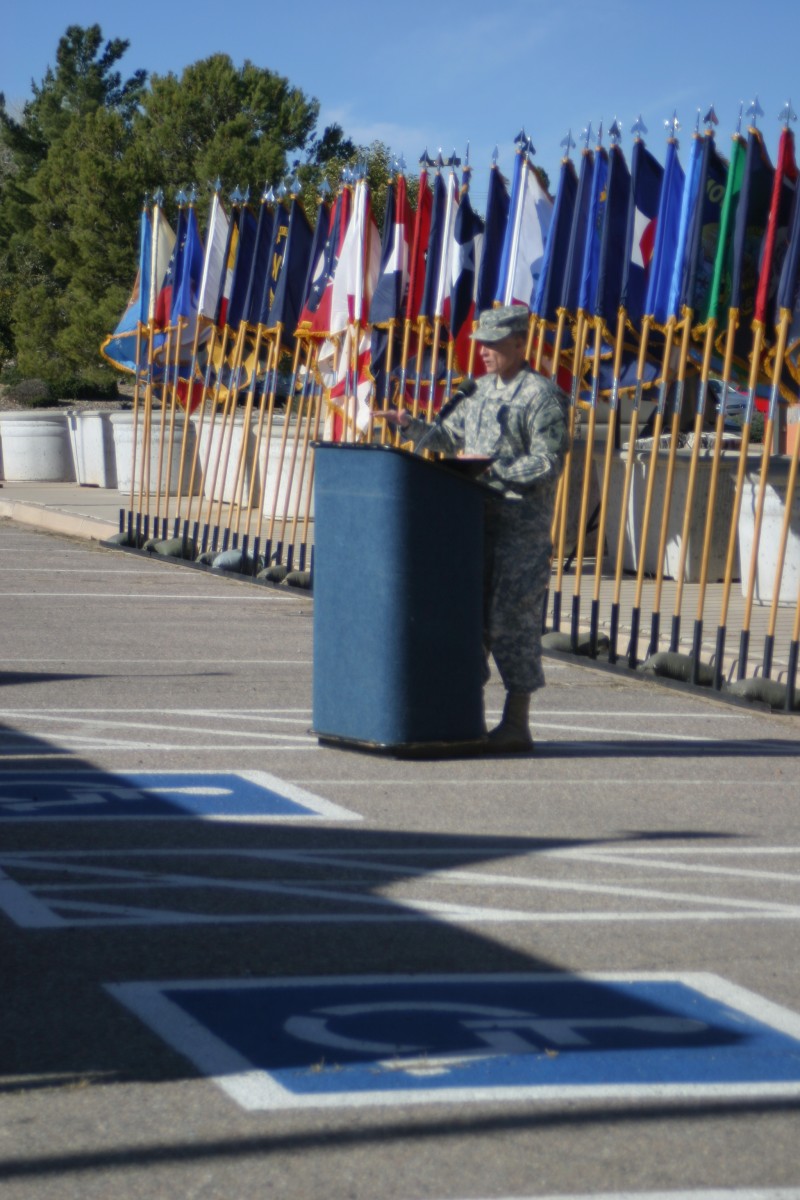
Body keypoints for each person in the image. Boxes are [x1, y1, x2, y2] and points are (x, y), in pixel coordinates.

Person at [375, 304, 570, 752]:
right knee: (468, 623)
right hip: (468, 526)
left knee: (511, 623)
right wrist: (410, 426)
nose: (483, 352)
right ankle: (465, 715)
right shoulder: (476, 392)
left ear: (521, 344)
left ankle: (517, 722)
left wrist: (491, 471)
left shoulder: (542, 397)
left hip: (519, 533)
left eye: (494, 345)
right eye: (481, 344)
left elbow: (548, 461)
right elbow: (445, 438)